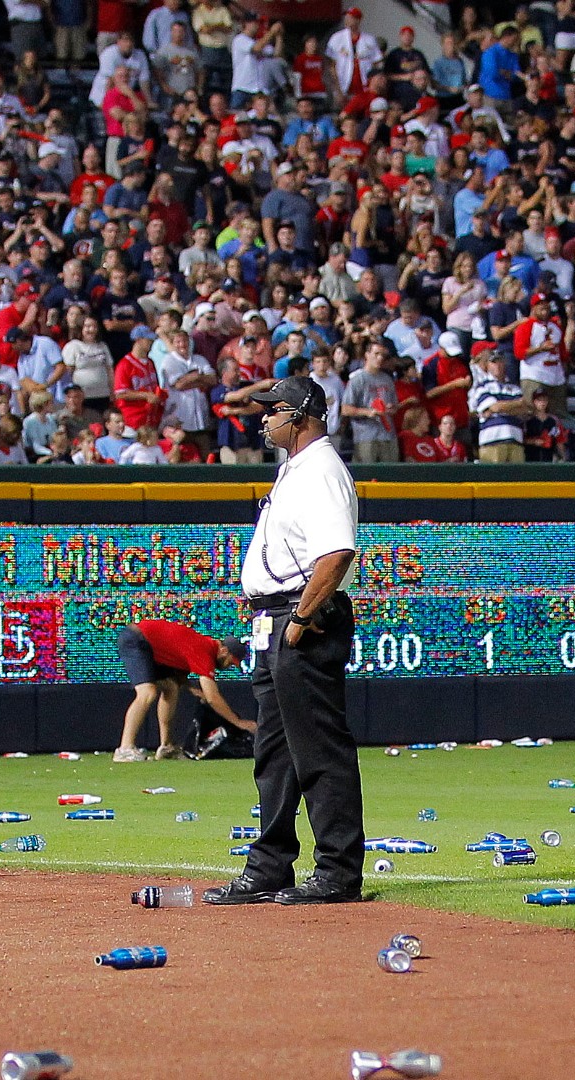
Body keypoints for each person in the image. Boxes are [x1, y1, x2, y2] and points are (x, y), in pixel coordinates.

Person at [205, 374, 363, 907]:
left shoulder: (322, 469)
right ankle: (269, 867)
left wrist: (299, 617)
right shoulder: (294, 468)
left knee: (318, 749)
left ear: (299, 416)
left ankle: (338, 871)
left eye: (273, 409)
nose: (265, 417)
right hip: (273, 618)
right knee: (274, 754)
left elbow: (336, 553)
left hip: (303, 620)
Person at [112, 619, 253, 762]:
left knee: (171, 688)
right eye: (230, 662)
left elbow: (179, 675)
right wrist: (238, 722)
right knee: (147, 692)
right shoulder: (205, 650)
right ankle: (125, 749)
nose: (228, 666)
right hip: (137, 639)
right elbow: (212, 697)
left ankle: (166, 747)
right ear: (223, 651)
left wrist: (194, 689)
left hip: (149, 644)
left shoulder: (202, 646)